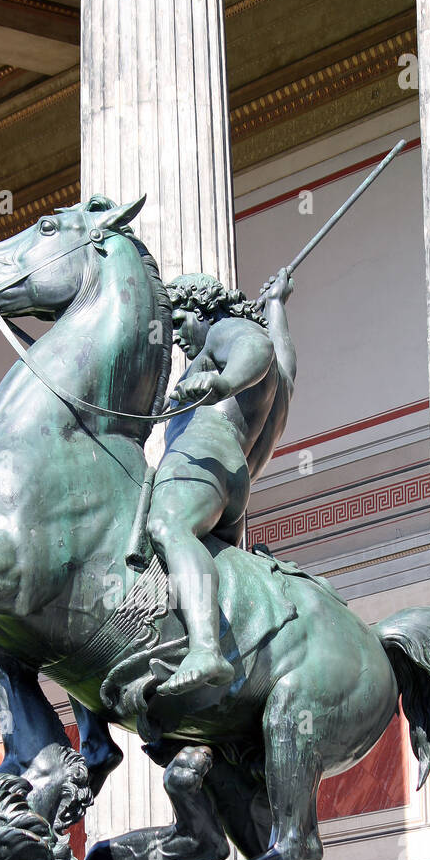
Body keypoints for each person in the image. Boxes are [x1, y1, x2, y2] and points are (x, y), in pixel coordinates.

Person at [146, 266, 296, 697]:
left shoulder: (223, 334)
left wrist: (222, 381)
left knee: (167, 528)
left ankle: (205, 649)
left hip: (203, 463)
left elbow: (257, 344)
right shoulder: (273, 380)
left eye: (180, 320)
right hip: (233, 487)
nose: (176, 334)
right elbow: (284, 359)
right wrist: (276, 304)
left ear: (204, 310)